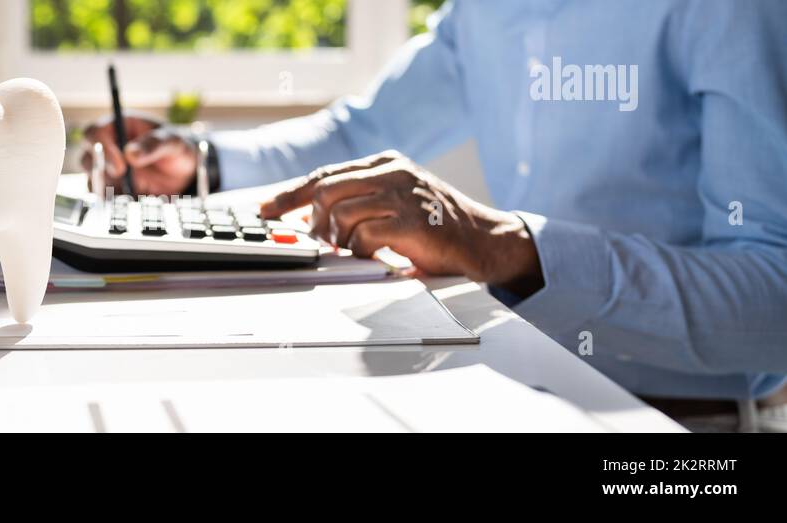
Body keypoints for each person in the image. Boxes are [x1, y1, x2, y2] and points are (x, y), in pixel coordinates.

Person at [82, 0, 787, 425]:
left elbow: (774, 305)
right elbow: (362, 134)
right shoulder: (484, 13)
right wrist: (200, 163)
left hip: (685, 436)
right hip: (512, 390)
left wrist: (510, 246)